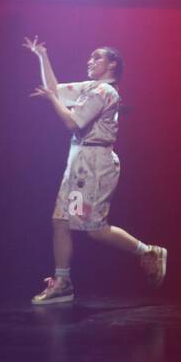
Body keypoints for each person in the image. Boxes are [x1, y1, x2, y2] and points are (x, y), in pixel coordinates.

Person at [24, 37, 166, 305]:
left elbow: (73, 123)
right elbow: (53, 88)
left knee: (94, 228)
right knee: (61, 221)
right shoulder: (91, 87)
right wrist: (42, 55)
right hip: (79, 160)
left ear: (113, 64)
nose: (90, 61)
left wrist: (53, 100)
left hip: (95, 163)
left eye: (97, 57)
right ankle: (63, 282)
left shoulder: (105, 92)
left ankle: (149, 252)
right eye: (90, 58)